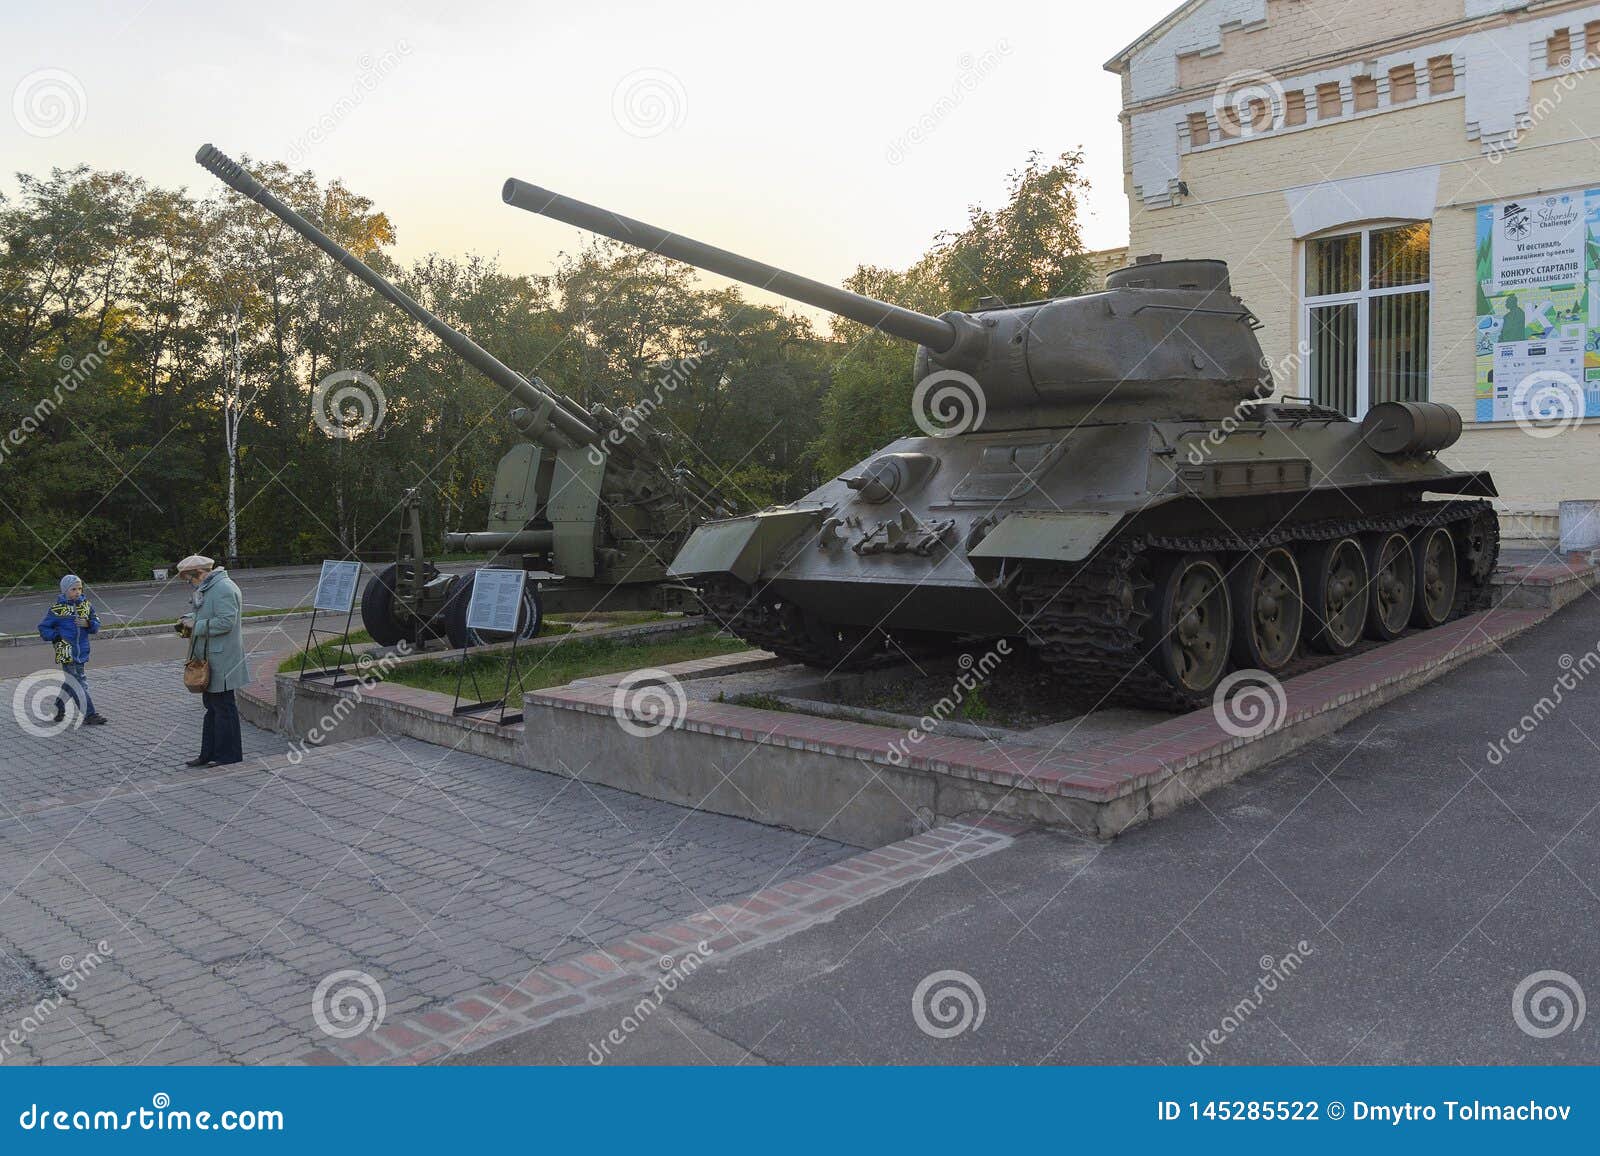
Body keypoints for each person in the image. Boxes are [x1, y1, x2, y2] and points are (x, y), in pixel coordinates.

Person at [174, 554, 250, 767]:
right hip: (210, 656)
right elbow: (208, 615)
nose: (189, 583)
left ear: (199, 573)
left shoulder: (224, 587)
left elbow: (226, 622)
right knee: (213, 707)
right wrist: (187, 620)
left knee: (224, 707)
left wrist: (194, 626)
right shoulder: (209, 587)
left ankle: (229, 756)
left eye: (190, 579)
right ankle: (209, 753)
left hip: (223, 657)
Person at [37, 574, 107, 726]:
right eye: (73, 589)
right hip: (65, 651)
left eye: (80, 588)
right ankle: (90, 714)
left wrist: (88, 624)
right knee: (79, 683)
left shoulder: (86, 606)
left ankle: (59, 707)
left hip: (81, 651)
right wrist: (56, 637)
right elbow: (43, 628)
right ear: (64, 591)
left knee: (71, 682)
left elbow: (96, 625)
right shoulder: (57, 609)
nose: (77, 592)